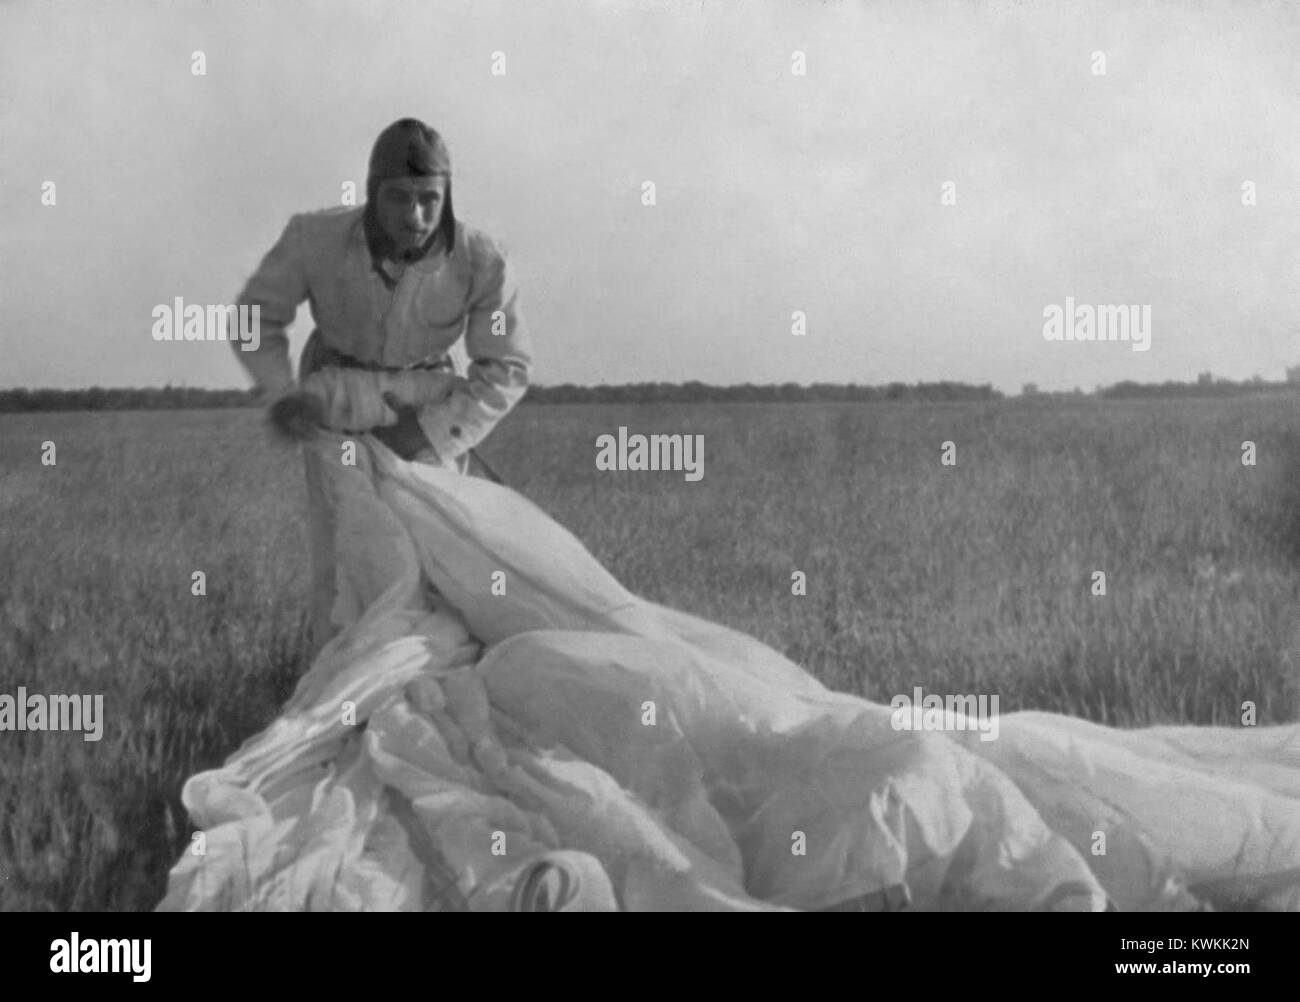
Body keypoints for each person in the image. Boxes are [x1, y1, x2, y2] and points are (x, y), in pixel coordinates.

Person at [229, 118, 532, 656]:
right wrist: (282, 395)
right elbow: (255, 317)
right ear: (371, 195)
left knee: (439, 556)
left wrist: (430, 432)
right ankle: (343, 688)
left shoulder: (484, 259)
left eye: (428, 199)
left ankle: (429, 682)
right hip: (335, 403)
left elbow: (505, 366)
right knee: (346, 558)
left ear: (447, 196)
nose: (414, 217)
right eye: (397, 198)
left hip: (430, 408)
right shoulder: (313, 238)